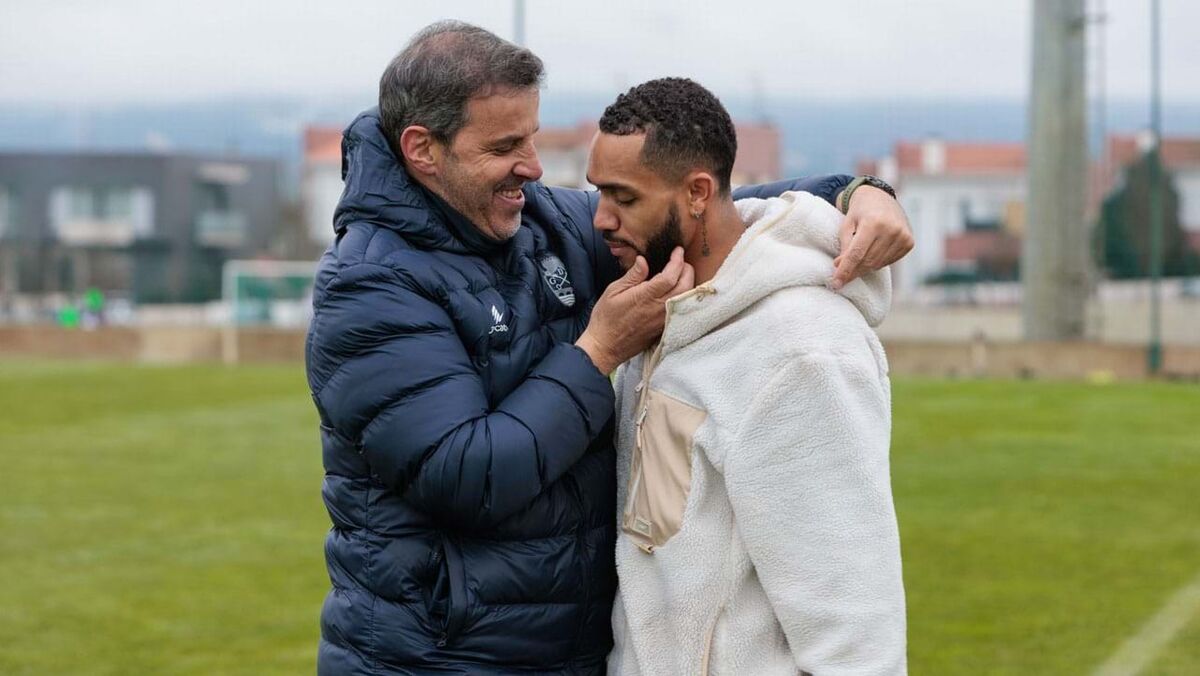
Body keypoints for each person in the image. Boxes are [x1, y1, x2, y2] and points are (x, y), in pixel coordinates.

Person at [304, 21, 912, 675]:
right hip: (436, 660)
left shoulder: (540, 222)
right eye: (505, 146)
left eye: (531, 137)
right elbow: (468, 477)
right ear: (424, 149)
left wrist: (856, 194)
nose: (533, 166)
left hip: (567, 654)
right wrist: (597, 351)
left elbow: (692, 207)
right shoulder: (368, 286)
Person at [589, 78, 906, 675]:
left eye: (623, 198)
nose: (601, 218)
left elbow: (856, 632)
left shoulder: (801, 351)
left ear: (698, 193)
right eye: (598, 192)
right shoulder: (663, 314)